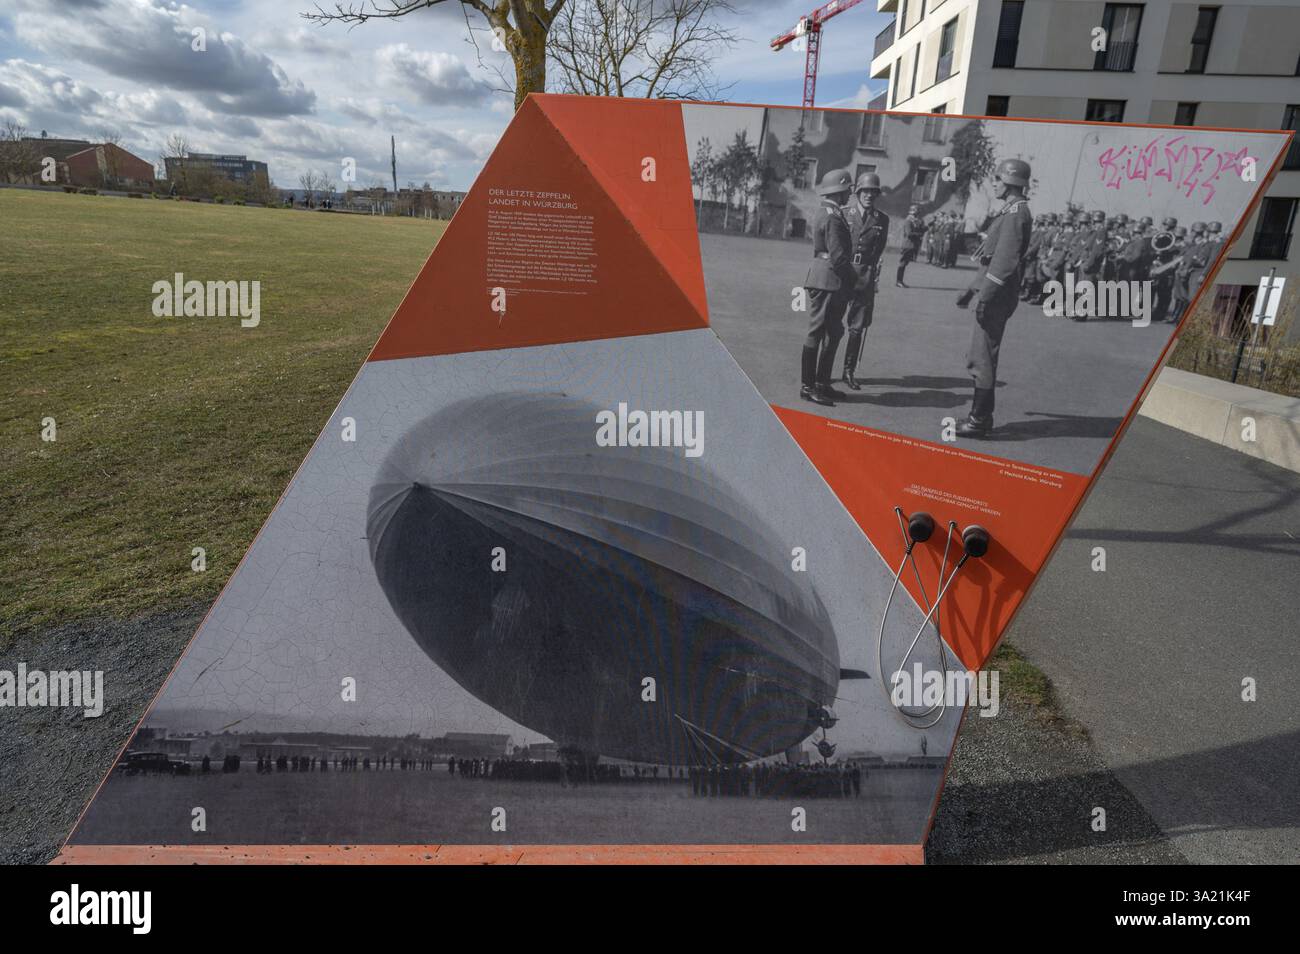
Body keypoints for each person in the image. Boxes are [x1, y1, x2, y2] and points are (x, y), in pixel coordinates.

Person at [958, 157, 1032, 439]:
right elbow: (990, 258)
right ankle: (981, 417)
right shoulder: (1011, 210)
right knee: (982, 354)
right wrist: (971, 290)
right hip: (995, 292)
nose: (995, 184)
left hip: (998, 295)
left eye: (998, 180)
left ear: (1011, 182)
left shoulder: (1015, 214)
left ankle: (978, 420)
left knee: (983, 357)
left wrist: (985, 297)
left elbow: (1003, 263)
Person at [800, 168, 856, 407]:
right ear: (840, 190)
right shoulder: (832, 216)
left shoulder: (829, 211)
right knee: (817, 331)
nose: (850, 194)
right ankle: (808, 386)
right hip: (828, 279)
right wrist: (854, 281)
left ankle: (822, 382)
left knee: (834, 333)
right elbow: (839, 256)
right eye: (848, 190)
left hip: (828, 279)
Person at [840, 172, 890, 390]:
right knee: (832, 324)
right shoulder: (844, 214)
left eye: (873, 192)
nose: (870, 195)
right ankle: (822, 373)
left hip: (865, 276)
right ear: (858, 192)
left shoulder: (882, 219)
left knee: (857, 327)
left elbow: (878, 251)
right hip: (843, 272)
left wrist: (873, 276)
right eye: (866, 191)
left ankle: (848, 371)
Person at [896, 204, 925, 287]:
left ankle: (900, 281)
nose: (918, 214)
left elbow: (919, 230)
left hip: (912, 245)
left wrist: (925, 228)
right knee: (903, 263)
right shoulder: (908, 220)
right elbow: (909, 233)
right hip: (908, 244)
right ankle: (898, 281)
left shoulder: (915, 221)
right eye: (916, 212)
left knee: (905, 263)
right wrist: (919, 234)